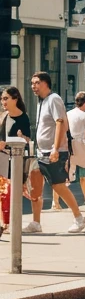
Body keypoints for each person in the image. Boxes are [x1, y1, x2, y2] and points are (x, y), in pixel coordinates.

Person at [25, 72, 85, 235]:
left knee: (58, 185)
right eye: (32, 83)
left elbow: (61, 123)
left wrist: (55, 148)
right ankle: (36, 222)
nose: (34, 86)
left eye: (37, 83)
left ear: (46, 83)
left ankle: (79, 218)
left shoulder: (54, 99)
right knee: (36, 186)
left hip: (54, 151)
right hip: (41, 151)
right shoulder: (42, 101)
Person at [0, 86, 32, 239]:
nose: (3, 101)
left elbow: (27, 141)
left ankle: (7, 223)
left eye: (6, 98)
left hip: (14, 159)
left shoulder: (23, 118)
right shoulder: (3, 116)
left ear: (15, 99)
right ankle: (4, 223)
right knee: (3, 192)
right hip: (1, 158)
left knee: (9, 192)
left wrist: (20, 137)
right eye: (2, 99)